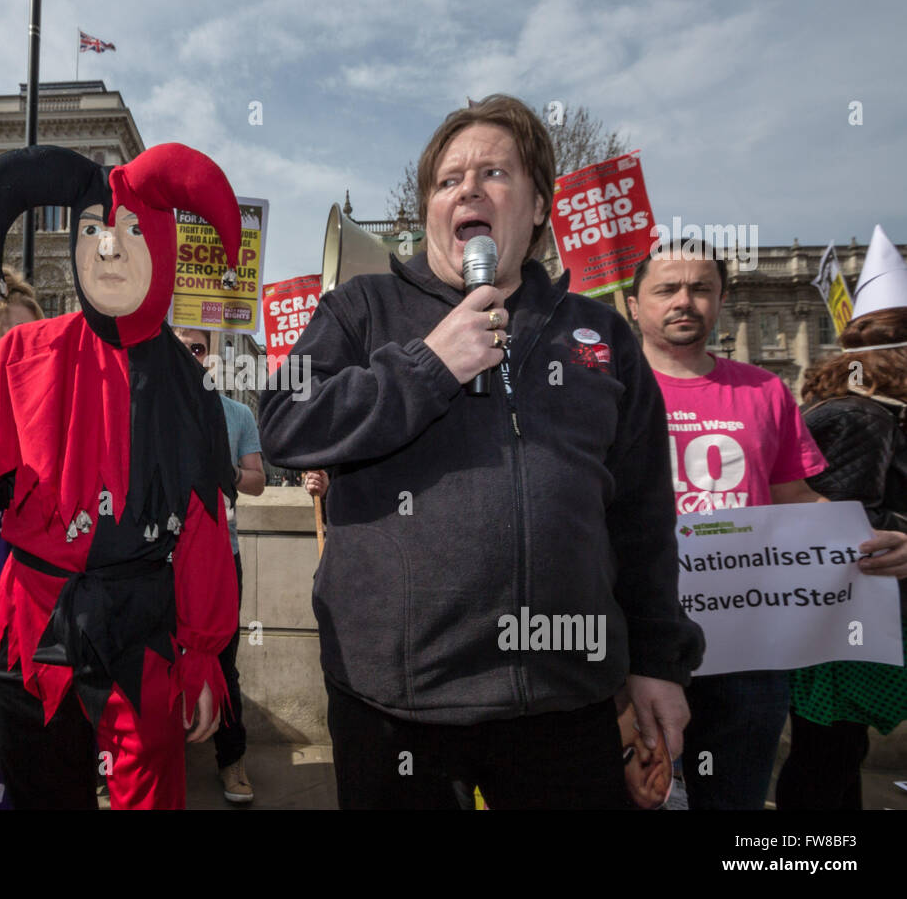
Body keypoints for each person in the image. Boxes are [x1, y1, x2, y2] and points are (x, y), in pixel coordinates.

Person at [260, 94, 704, 809]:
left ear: (537, 207)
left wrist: (658, 662)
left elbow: (645, 517)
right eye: (446, 180)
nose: (466, 189)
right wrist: (427, 366)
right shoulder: (361, 309)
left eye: (494, 173)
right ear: (431, 210)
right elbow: (285, 420)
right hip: (395, 708)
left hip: (567, 700)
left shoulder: (600, 335)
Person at [0, 143, 241, 810]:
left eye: (128, 230)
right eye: (92, 229)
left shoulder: (192, 389)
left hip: (143, 632)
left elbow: (206, 531)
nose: (109, 249)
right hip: (30, 627)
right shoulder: (20, 354)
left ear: (160, 245)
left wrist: (205, 653)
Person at [625, 239, 907, 809]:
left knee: (735, 802)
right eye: (666, 290)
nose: (685, 301)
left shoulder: (765, 390)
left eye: (701, 288)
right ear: (634, 306)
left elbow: (797, 500)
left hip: (748, 650)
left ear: (722, 298)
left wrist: (877, 542)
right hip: (638, 646)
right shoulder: (607, 392)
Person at [777, 308, 907, 809]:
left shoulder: (851, 408)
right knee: (828, 755)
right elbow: (848, 523)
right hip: (843, 617)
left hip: (837, 615)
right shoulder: (864, 417)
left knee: (835, 751)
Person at [173, 327, 264, 804]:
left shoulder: (237, 414)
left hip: (218, 562)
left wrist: (224, 472)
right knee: (154, 662)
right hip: (159, 561)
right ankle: (152, 758)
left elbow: (258, 481)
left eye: (198, 347)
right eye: (180, 345)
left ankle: (232, 761)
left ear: (210, 355)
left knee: (224, 666)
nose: (189, 355)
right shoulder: (150, 410)